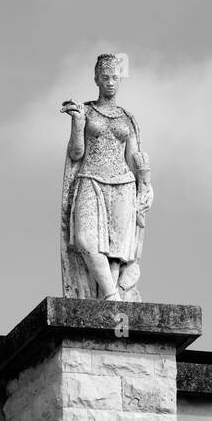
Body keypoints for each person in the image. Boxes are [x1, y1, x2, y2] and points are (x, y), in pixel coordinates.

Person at [60, 54, 153, 300]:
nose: (110, 82)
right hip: (90, 179)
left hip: (123, 184)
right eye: (105, 77)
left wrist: (144, 182)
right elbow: (76, 152)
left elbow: (133, 158)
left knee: (115, 253)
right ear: (96, 80)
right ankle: (113, 297)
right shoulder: (86, 111)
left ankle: (107, 302)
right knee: (85, 240)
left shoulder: (127, 119)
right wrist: (78, 123)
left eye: (115, 77)